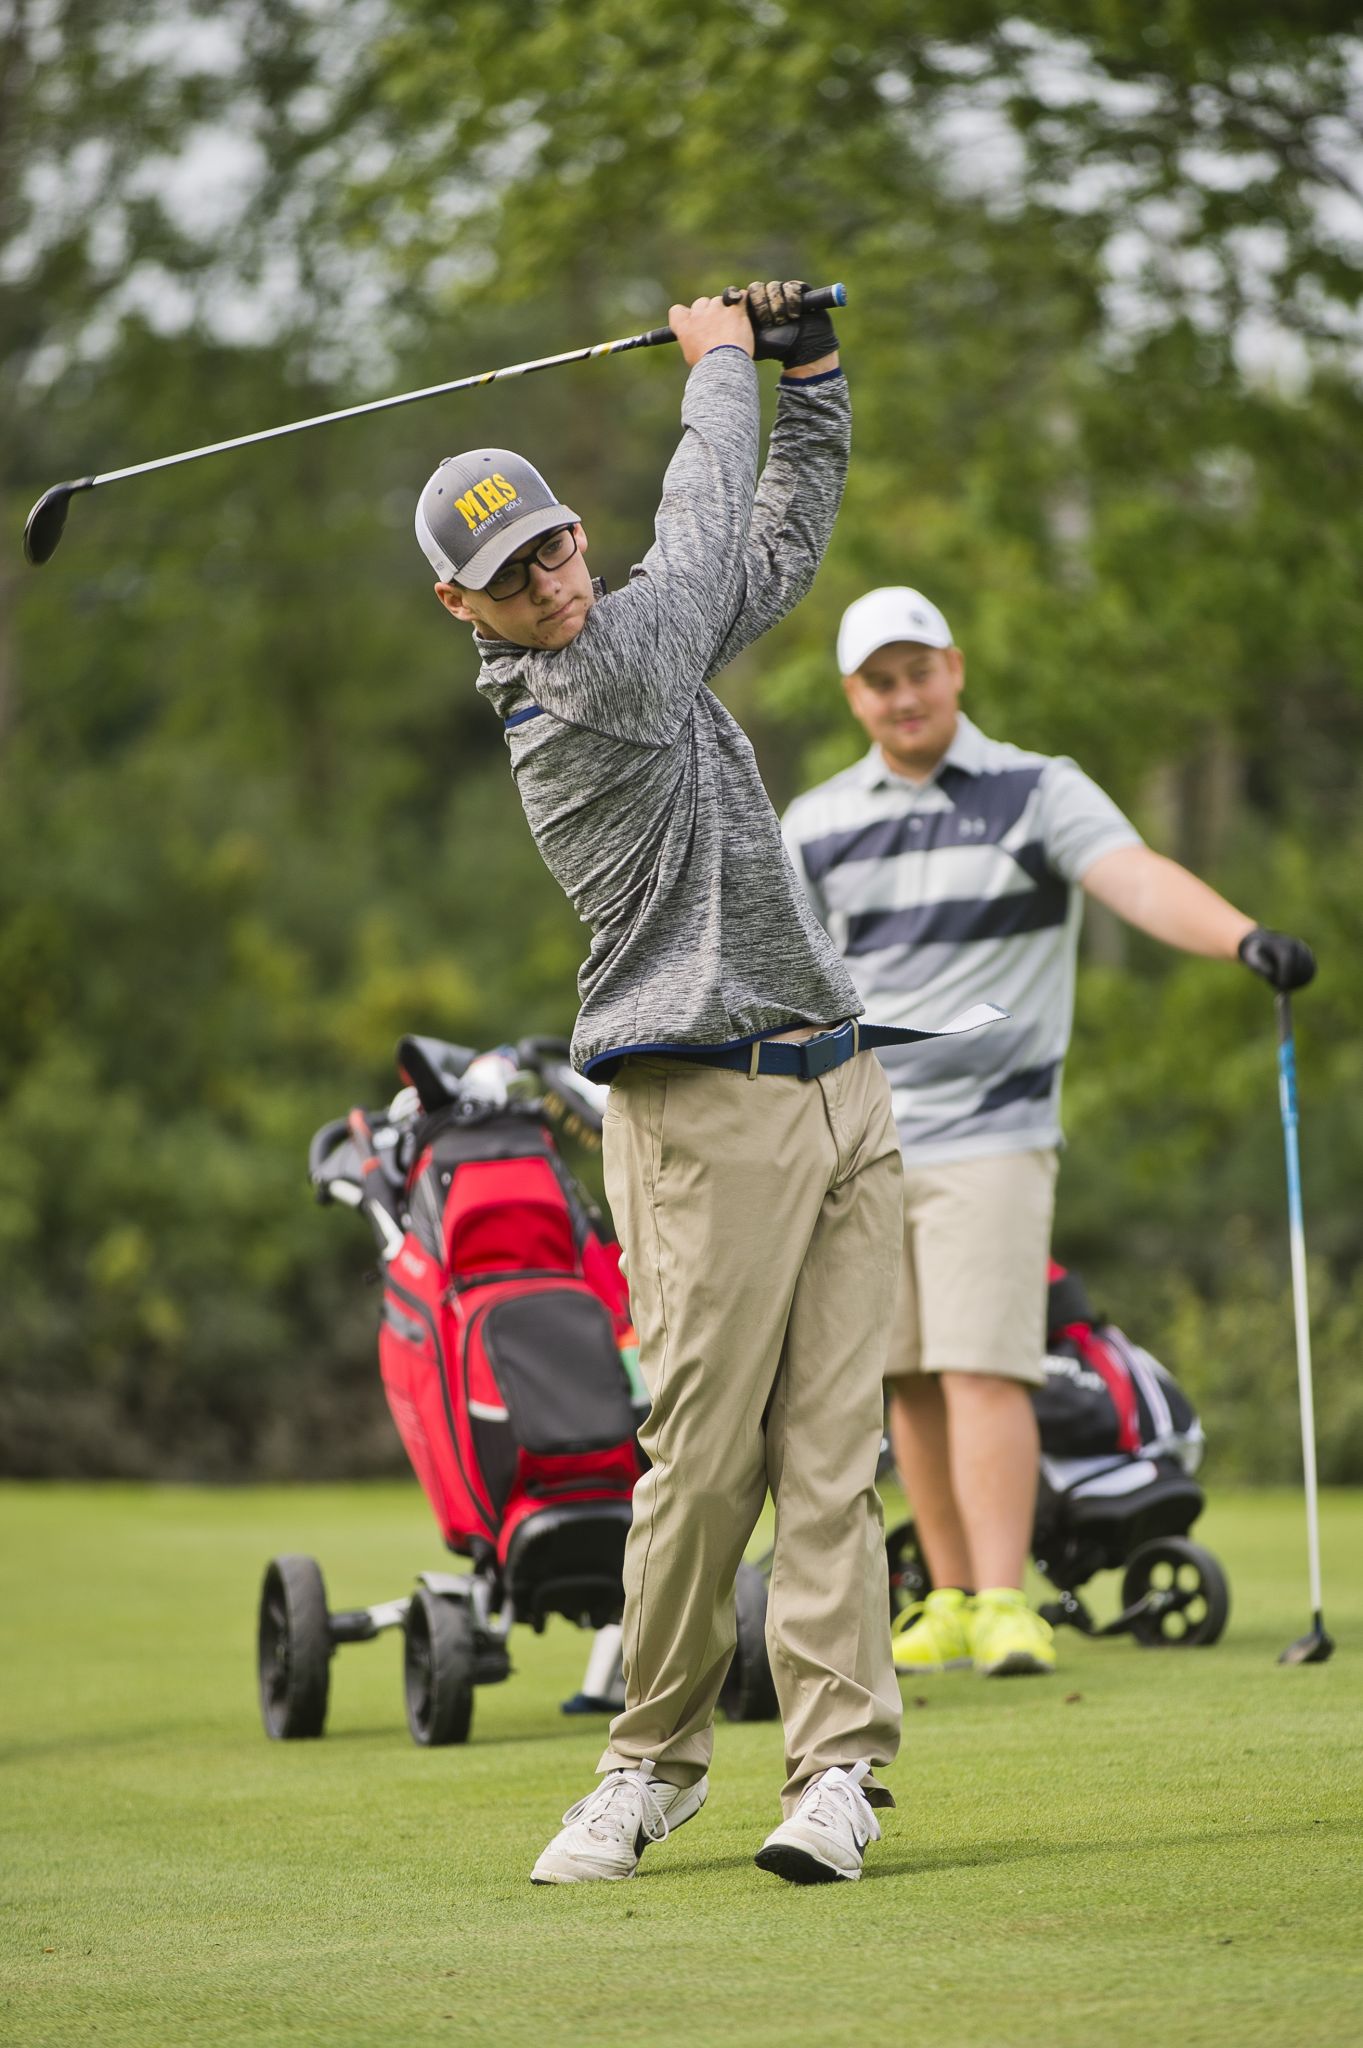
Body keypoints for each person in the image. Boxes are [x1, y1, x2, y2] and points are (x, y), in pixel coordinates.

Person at [415, 284, 913, 1886]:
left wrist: (808, 374)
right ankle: (647, 1764)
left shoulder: (637, 632)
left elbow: (767, 547)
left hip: (840, 1089)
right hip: (701, 1113)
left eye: (556, 547)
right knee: (705, 1457)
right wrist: (716, 366)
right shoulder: (578, 692)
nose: (554, 581)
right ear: (460, 606)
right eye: (513, 576)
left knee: (831, 1460)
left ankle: (835, 1772)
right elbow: (697, 549)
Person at [782, 586, 1316, 1679]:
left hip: (995, 1128)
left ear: (954, 668)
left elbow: (1133, 878)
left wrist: (1241, 937)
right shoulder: (817, 822)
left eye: (917, 671)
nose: (902, 695)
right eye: (879, 681)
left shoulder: (1037, 790)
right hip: (866, 1134)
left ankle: (1003, 1596)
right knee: (909, 1375)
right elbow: (783, 975)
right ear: (853, 696)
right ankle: (943, 1595)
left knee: (984, 1363)